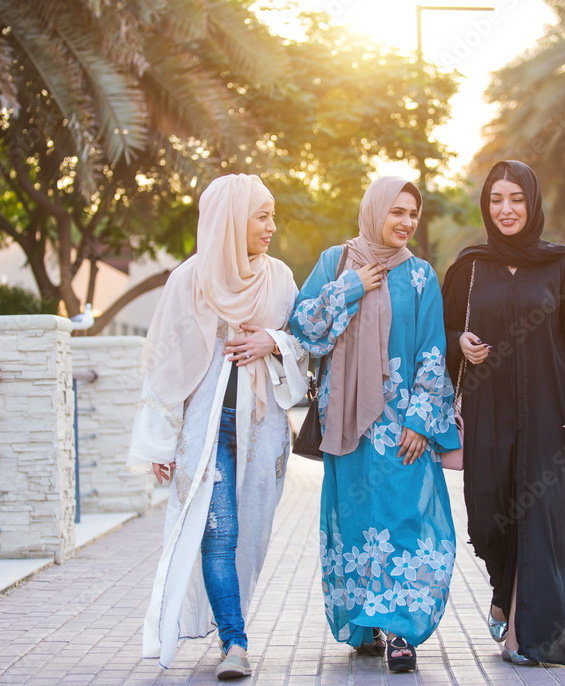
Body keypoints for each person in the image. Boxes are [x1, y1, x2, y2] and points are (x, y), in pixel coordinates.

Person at [126, 174, 307, 680]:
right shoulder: (190, 279)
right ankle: (236, 643)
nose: (272, 226)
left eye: (272, 214)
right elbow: (164, 363)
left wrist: (271, 341)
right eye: (261, 216)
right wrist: (162, 440)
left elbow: (303, 347)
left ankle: (230, 627)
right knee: (218, 532)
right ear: (230, 220)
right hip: (203, 431)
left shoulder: (280, 279)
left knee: (247, 533)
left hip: (262, 428)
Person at [441, 160, 565, 667]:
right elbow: (442, 330)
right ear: (486, 205)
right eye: (496, 199)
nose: (506, 209)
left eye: (516, 199)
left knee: (540, 521)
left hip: (550, 414)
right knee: (491, 516)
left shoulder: (560, 266)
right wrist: (460, 341)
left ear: (532, 203)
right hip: (489, 413)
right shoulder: (470, 267)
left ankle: (524, 634)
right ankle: (503, 590)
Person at [289, 176, 460, 673]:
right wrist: (350, 288)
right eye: (396, 212)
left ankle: (401, 629)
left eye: (413, 213)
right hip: (347, 426)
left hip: (400, 428)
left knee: (405, 521)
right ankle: (368, 623)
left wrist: (421, 421)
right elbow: (304, 330)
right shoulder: (335, 263)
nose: (406, 222)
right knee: (358, 525)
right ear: (374, 212)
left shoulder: (422, 276)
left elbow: (433, 350)